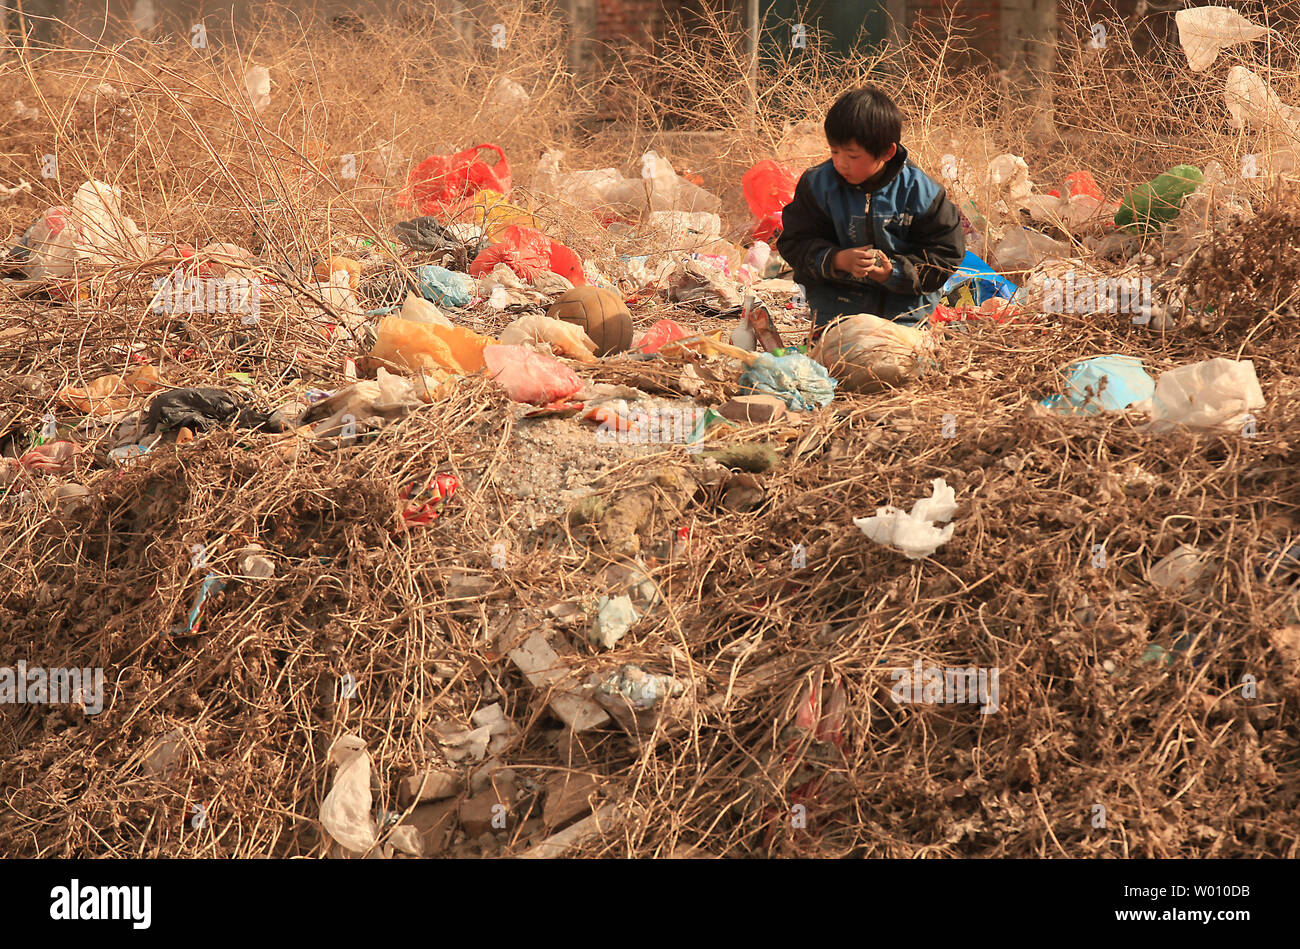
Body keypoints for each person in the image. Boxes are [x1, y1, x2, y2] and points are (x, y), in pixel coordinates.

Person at [777, 86, 965, 343]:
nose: (840, 163)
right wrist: (836, 260)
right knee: (840, 364)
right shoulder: (818, 185)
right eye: (834, 152)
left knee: (897, 364)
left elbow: (945, 255)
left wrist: (893, 273)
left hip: (906, 316)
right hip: (836, 313)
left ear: (887, 152)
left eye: (852, 155)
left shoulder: (921, 193)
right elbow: (794, 242)